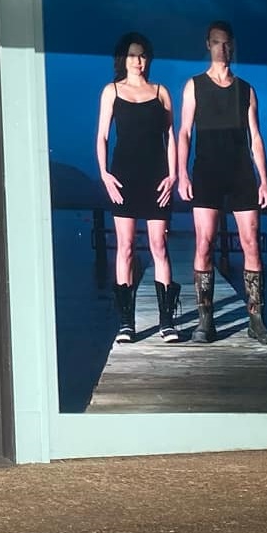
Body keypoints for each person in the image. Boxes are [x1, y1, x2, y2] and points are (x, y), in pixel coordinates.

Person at [175, 21, 267, 345]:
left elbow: (256, 138)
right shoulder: (194, 86)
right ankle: (206, 320)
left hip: (241, 173)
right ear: (208, 44)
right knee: (203, 243)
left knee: (250, 243)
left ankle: (256, 319)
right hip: (206, 171)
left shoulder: (246, 89)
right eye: (217, 43)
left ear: (233, 46)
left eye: (228, 43)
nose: (223, 49)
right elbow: (184, 132)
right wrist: (182, 172)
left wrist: (264, 180)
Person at [93, 31, 181, 344]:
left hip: (157, 176)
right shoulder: (112, 91)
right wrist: (104, 174)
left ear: (148, 59)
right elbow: (102, 136)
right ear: (123, 59)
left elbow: (171, 136)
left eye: (142, 55)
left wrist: (174, 176)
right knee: (126, 246)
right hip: (123, 176)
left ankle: (167, 322)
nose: (138, 61)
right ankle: (126, 323)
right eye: (132, 55)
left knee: (159, 245)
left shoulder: (161, 92)